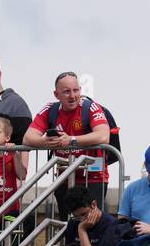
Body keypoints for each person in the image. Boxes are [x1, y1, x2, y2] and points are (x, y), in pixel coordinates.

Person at [23, 71, 113, 207]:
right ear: (56, 95)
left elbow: (103, 136)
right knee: (67, 224)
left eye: (76, 90)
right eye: (66, 92)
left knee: (91, 223)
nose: (72, 96)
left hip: (93, 177)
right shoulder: (50, 109)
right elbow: (27, 138)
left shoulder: (91, 107)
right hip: (64, 177)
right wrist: (47, 142)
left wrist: (71, 140)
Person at [45, 187, 120, 246]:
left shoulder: (110, 224)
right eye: (76, 216)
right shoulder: (73, 222)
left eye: (84, 214)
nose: (81, 219)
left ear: (94, 204)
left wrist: (82, 230)